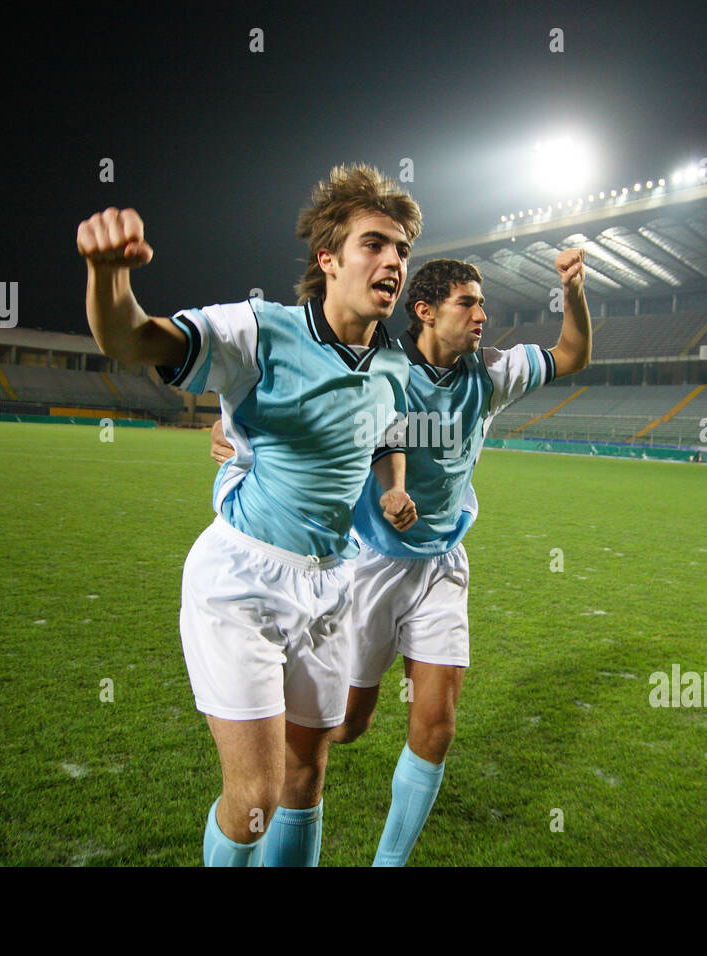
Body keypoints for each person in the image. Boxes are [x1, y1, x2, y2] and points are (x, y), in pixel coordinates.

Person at [77, 164, 422, 867]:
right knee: (255, 796)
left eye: (403, 250)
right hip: (243, 584)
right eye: (375, 244)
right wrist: (109, 276)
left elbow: (379, 432)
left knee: (305, 778)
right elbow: (135, 341)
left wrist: (389, 484)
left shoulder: (395, 363)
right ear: (327, 259)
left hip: (331, 583)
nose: (394, 261)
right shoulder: (256, 330)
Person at [212, 250, 591, 864]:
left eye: (482, 305)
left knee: (437, 727)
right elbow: (292, 401)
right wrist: (233, 431)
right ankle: (275, 757)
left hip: (442, 565)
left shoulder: (489, 372)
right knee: (345, 728)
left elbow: (573, 354)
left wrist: (573, 290)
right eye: (468, 303)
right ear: (425, 310)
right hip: (370, 566)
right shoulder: (380, 368)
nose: (481, 315)